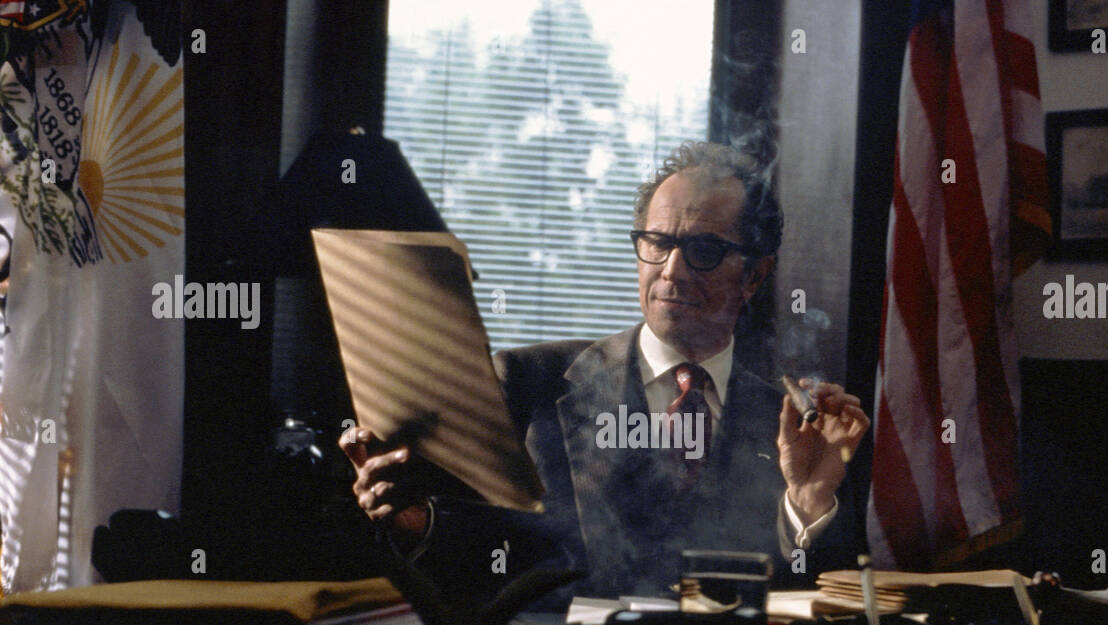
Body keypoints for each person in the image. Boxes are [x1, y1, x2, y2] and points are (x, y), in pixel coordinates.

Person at [341, 142, 869, 600]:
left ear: (754, 275)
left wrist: (806, 501)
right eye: (658, 243)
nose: (671, 270)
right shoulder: (528, 383)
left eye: (704, 251)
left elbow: (814, 595)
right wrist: (416, 521)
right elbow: (480, 559)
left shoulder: (794, 425)